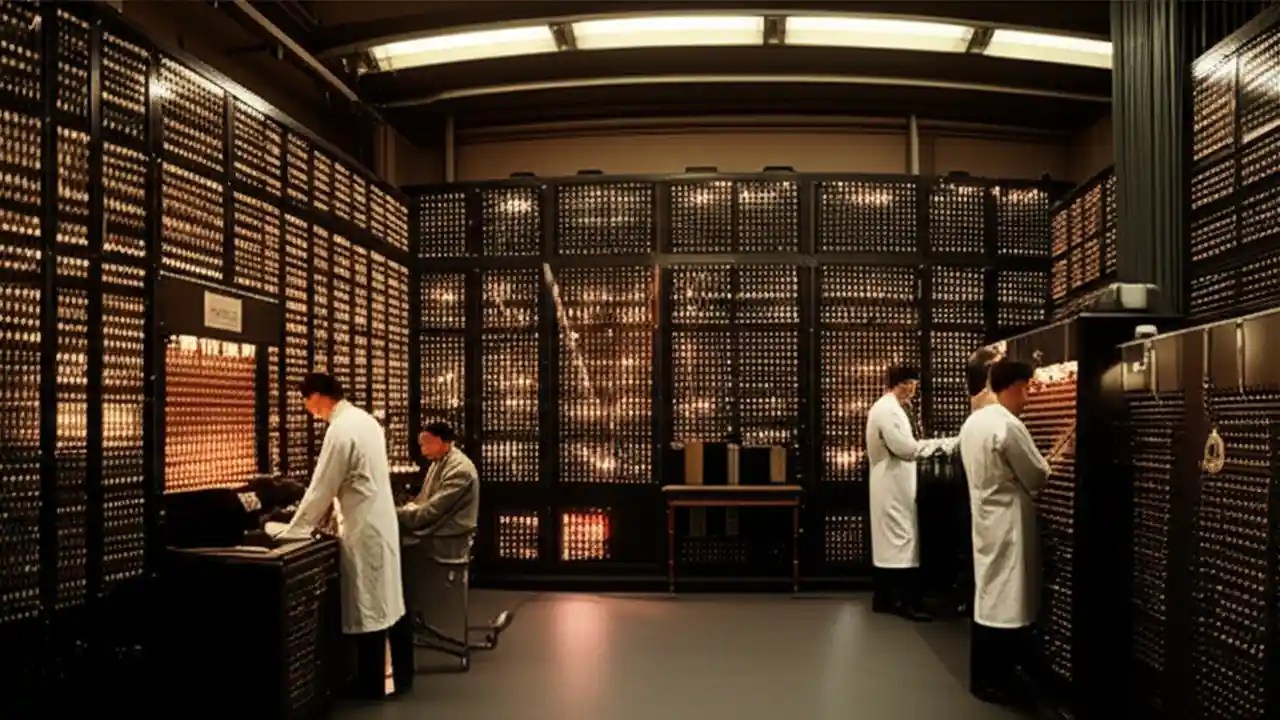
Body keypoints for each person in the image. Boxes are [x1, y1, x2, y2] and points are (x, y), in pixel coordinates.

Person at [269, 373, 412, 699]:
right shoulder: (365, 421)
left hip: (364, 527)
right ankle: (401, 676)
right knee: (390, 602)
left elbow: (323, 485)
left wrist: (296, 530)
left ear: (318, 396)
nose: (307, 409)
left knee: (371, 606)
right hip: (378, 521)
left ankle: (372, 685)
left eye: (306, 401)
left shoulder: (341, 430)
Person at [958, 358, 1058, 705]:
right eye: (1028, 388)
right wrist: (1050, 462)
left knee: (988, 598)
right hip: (1009, 522)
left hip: (985, 517)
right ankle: (1003, 679)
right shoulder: (1009, 426)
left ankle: (982, 678)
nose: (1029, 396)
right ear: (1015, 386)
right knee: (1009, 603)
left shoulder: (974, 422)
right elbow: (1036, 476)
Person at [865, 364, 957, 622]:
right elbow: (905, 448)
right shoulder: (889, 410)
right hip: (892, 483)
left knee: (892, 542)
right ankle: (904, 602)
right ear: (903, 383)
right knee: (901, 541)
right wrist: (942, 445)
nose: (915, 389)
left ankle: (884, 598)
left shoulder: (887, 408)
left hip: (891, 482)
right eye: (913, 383)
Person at [398, 421, 479, 625]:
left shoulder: (459, 471)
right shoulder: (440, 462)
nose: (423, 451)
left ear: (444, 442)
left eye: (427, 444)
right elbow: (422, 503)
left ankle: (403, 616)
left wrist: (392, 513)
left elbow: (428, 513)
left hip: (447, 538)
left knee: (396, 551)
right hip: (437, 530)